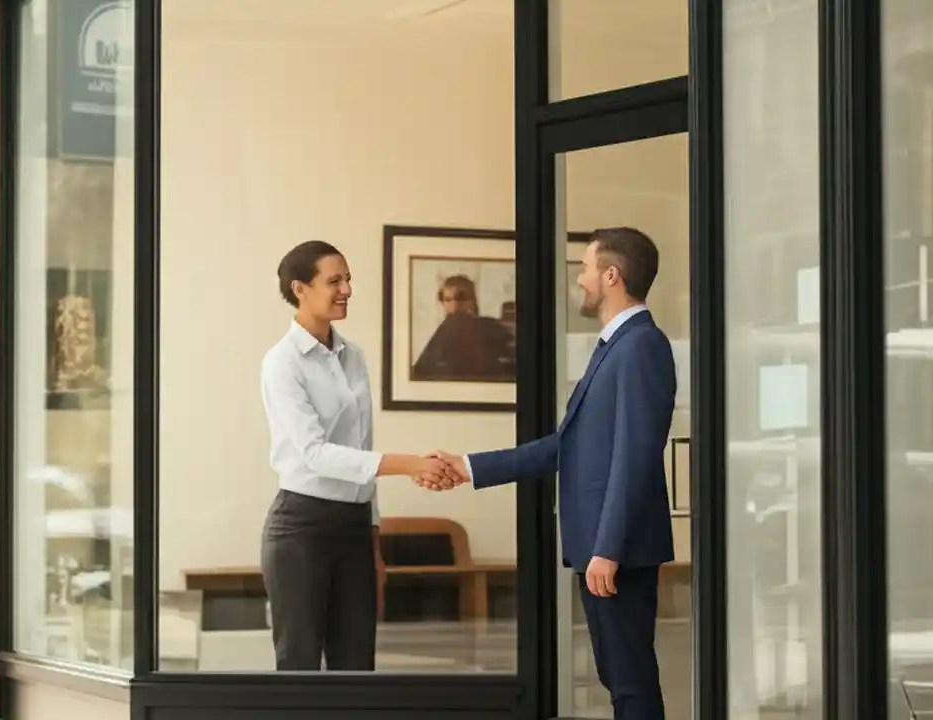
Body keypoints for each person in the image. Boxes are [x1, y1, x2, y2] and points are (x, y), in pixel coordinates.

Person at [423, 227, 675, 719]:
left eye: (584, 268)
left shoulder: (641, 346)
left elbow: (636, 457)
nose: (579, 280)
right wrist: (470, 466)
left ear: (612, 274)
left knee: (631, 683)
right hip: (602, 547)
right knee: (620, 679)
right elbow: (567, 445)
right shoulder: (614, 346)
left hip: (614, 550)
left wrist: (608, 547)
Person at [259, 240, 459, 671]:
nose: (347, 288)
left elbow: (360, 451)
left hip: (353, 529)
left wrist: (373, 543)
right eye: (334, 281)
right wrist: (409, 465)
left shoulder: (355, 357)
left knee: (357, 668)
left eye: (348, 279)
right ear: (300, 289)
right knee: (299, 667)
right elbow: (315, 454)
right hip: (302, 529)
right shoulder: (282, 363)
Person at [412, 274, 516, 382]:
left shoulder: (490, 326)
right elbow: (421, 372)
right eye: (448, 300)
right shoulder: (444, 330)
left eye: (461, 299)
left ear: (472, 300)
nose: (455, 306)